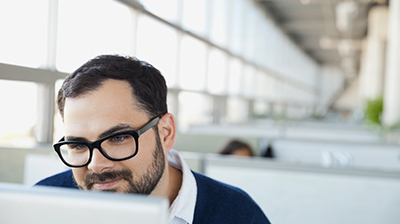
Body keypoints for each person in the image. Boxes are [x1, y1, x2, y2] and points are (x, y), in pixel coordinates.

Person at [35, 55, 270, 224]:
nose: (96, 165)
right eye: (78, 145)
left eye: (118, 138)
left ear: (165, 133)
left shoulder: (238, 215)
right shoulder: (42, 205)